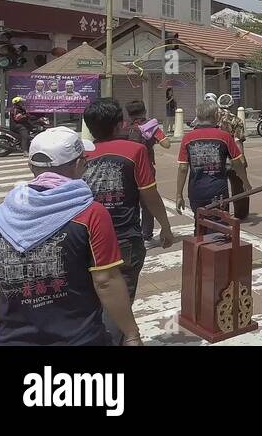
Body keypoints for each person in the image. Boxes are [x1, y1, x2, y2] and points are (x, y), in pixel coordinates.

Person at [0, 127, 143, 346]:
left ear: (31, 167)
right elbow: (106, 280)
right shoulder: (90, 215)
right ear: (79, 165)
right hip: (80, 339)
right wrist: (131, 334)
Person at [83, 99, 173, 344]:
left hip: (85, 238)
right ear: (118, 125)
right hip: (123, 238)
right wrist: (165, 227)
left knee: (93, 299)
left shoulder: (81, 154)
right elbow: (150, 195)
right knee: (121, 300)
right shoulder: (134, 150)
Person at [176, 100, 251, 218]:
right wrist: (246, 183)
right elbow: (238, 162)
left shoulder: (187, 138)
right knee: (220, 227)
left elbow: (183, 168)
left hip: (196, 191)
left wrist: (179, 194)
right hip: (218, 191)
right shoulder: (224, 137)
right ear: (216, 115)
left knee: (200, 223)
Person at [125, 100, 171, 247]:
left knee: (130, 202)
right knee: (148, 203)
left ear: (129, 114)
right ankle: (147, 237)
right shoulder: (151, 127)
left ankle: (131, 235)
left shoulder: (124, 127)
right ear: (144, 112)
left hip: (127, 168)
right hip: (146, 169)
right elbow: (167, 144)